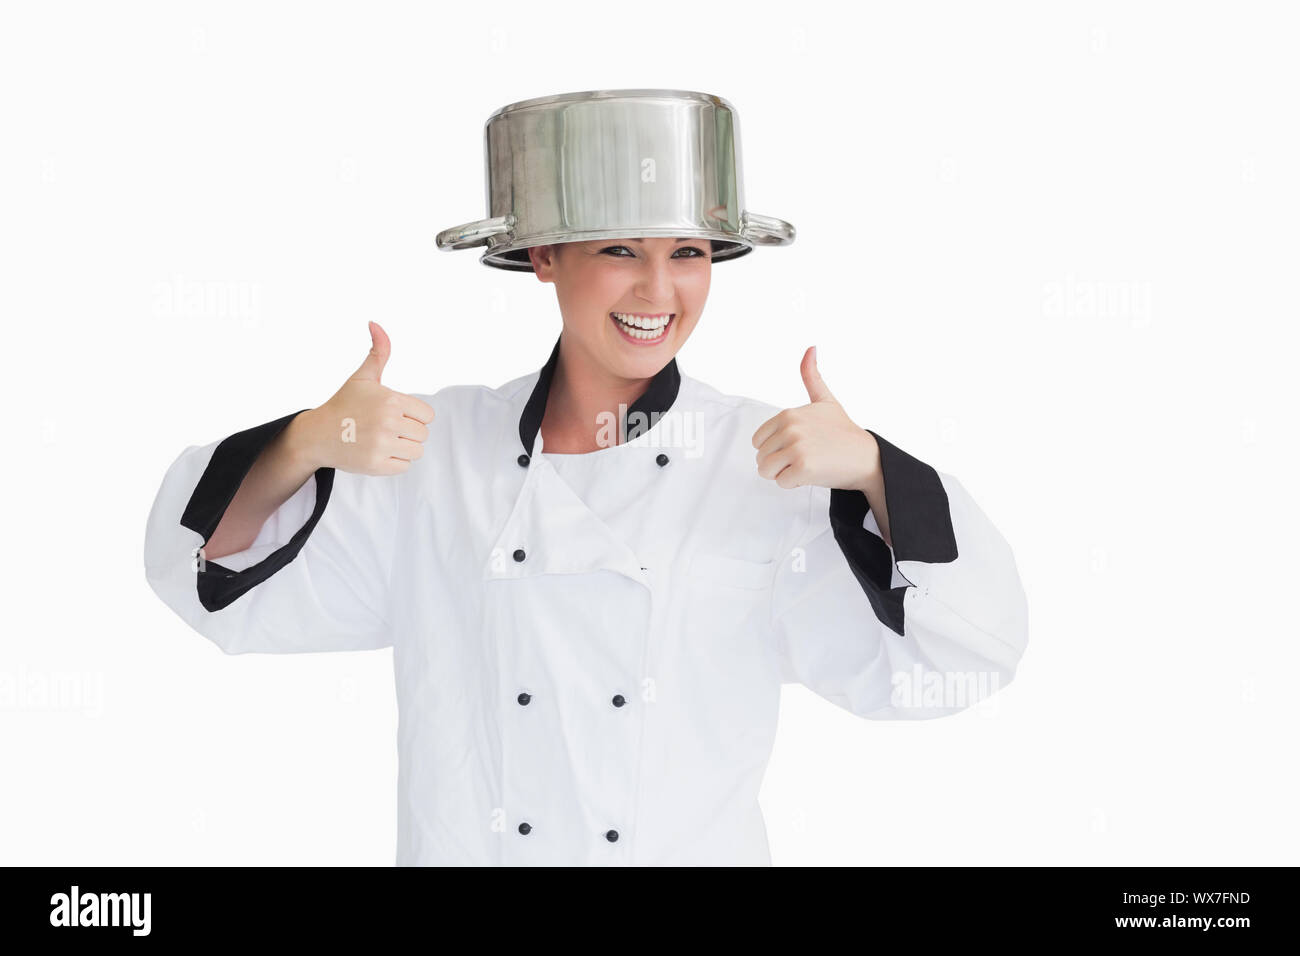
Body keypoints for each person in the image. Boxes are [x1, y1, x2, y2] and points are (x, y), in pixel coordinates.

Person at [144, 232, 1029, 865]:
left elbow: (966, 657)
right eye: (619, 252)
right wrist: (306, 439)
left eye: (687, 254)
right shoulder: (433, 451)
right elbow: (212, 582)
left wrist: (879, 473)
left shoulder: (768, 460)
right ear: (543, 256)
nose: (658, 291)